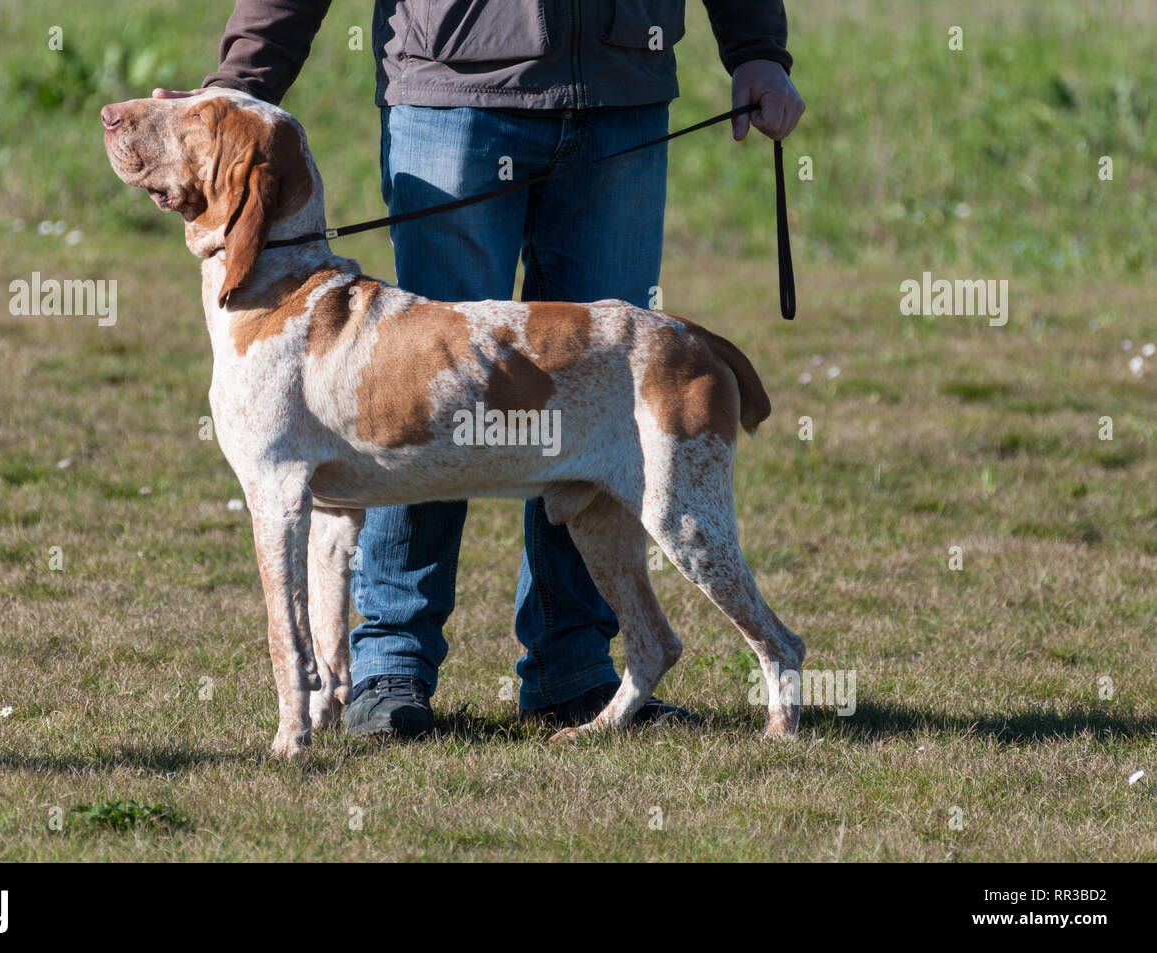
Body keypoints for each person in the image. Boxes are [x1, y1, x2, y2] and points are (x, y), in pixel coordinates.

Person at [157, 0, 805, 738]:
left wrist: (757, 45)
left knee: (606, 423)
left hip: (625, 86)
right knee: (397, 400)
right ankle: (390, 666)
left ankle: (575, 673)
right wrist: (241, 82)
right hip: (453, 85)